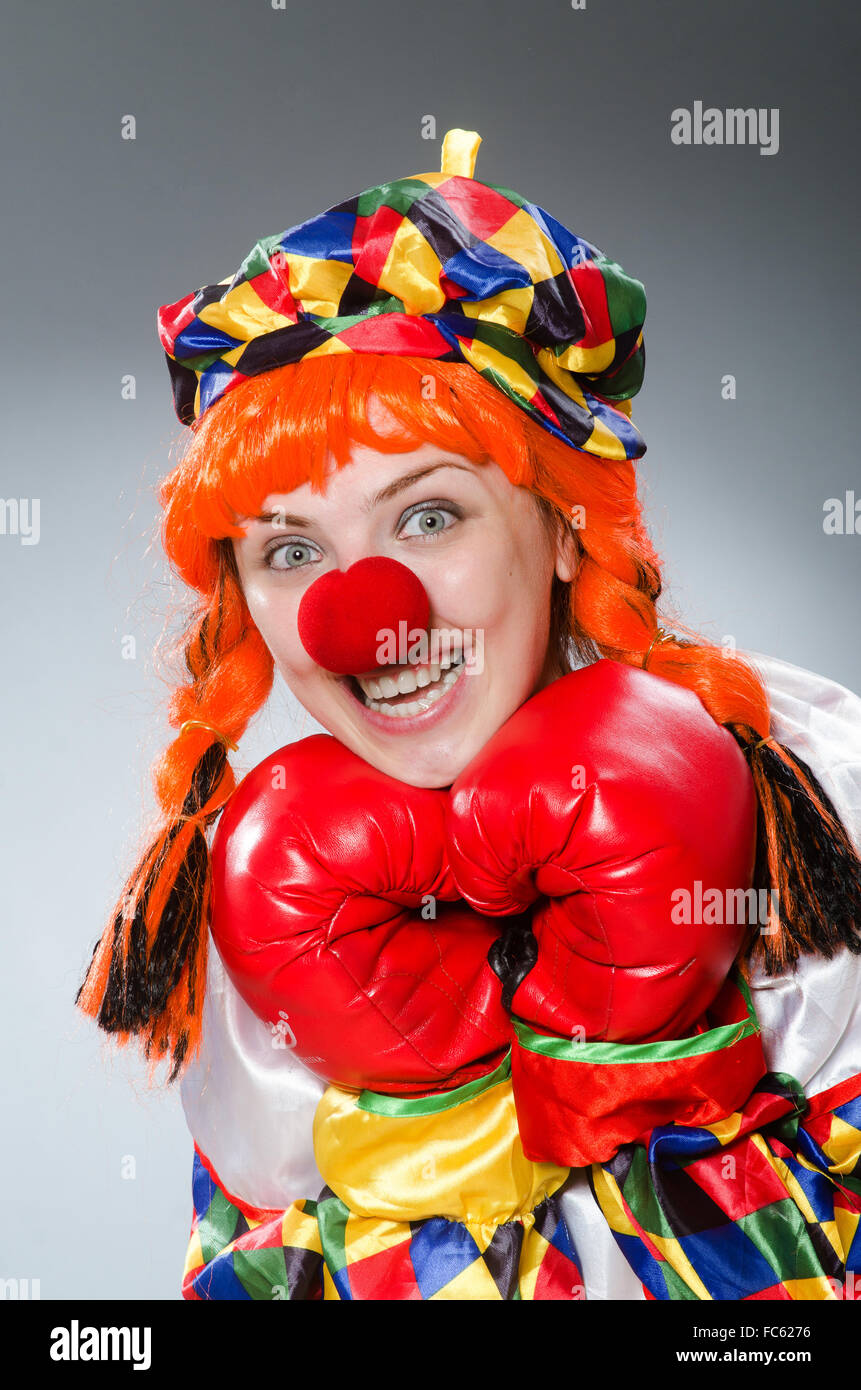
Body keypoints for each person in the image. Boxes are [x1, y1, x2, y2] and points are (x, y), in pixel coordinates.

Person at [78, 129, 861, 1301]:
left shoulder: (809, 811)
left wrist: (645, 1051)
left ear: (559, 529)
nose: (362, 614)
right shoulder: (269, 902)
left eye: (428, 517)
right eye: (292, 548)